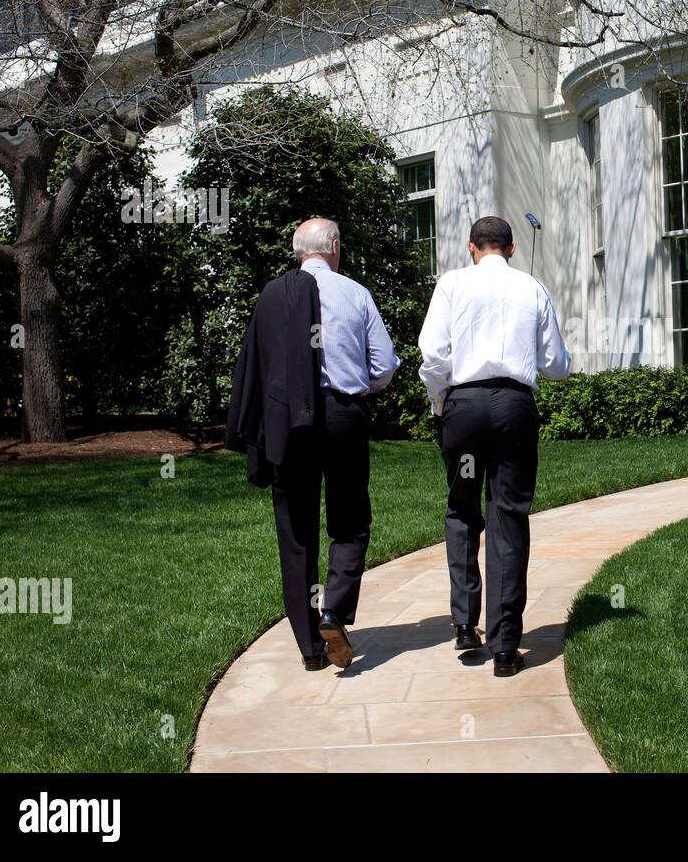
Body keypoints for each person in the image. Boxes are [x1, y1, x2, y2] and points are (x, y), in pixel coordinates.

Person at [226, 218, 400, 671]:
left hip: (289, 424)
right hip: (343, 415)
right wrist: (361, 384)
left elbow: (257, 366)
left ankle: (309, 647)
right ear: (335, 248)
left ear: (296, 251)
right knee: (350, 520)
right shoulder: (355, 293)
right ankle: (334, 611)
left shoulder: (270, 297)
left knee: (296, 531)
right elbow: (384, 366)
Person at [418, 216, 570, 677]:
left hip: (464, 408)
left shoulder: (451, 284)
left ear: (471, 247)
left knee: (463, 508)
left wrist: (443, 404)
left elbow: (432, 356)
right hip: (513, 411)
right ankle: (505, 645)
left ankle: (465, 624)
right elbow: (556, 366)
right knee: (508, 515)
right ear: (512, 248)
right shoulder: (532, 288)